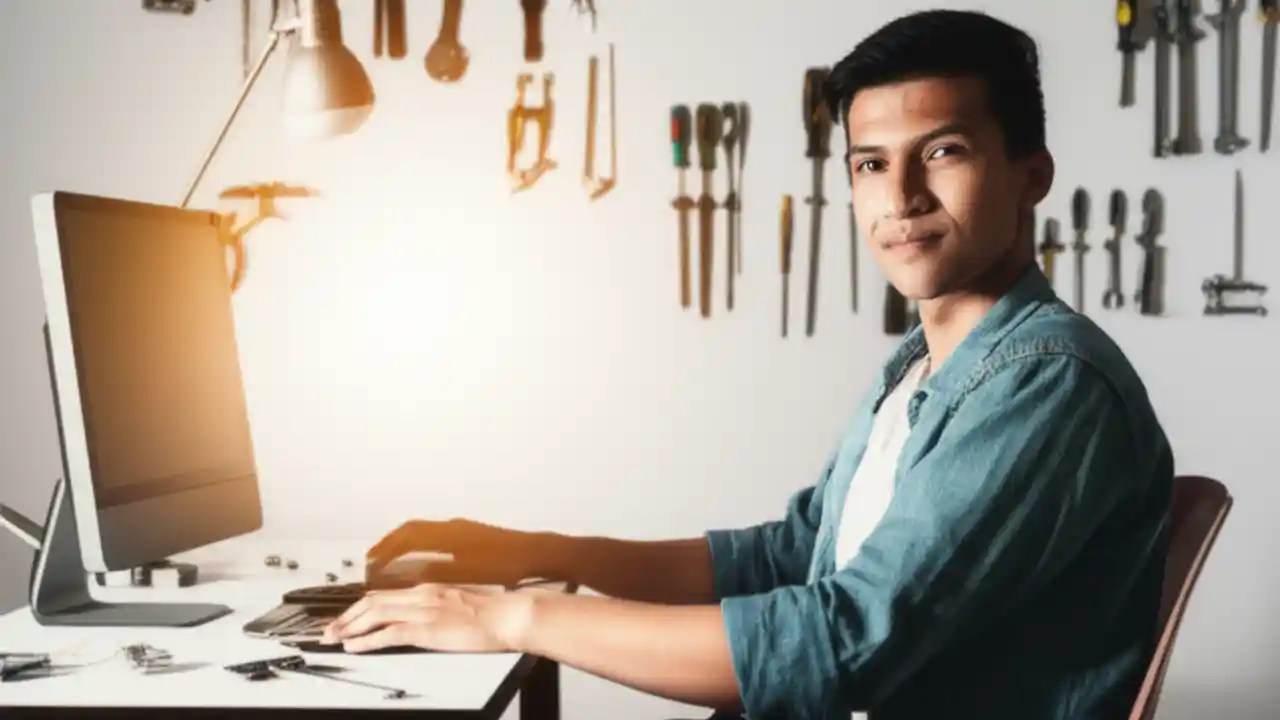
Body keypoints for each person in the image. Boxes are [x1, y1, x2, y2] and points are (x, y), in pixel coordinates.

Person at [323, 9, 1174, 719]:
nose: (902, 195)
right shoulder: (925, 366)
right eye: (871, 164)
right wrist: (541, 551)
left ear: (1033, 175)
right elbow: (792, 555)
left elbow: (842, 640)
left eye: (943, 152)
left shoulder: (1045, 382)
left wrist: (512, 618)